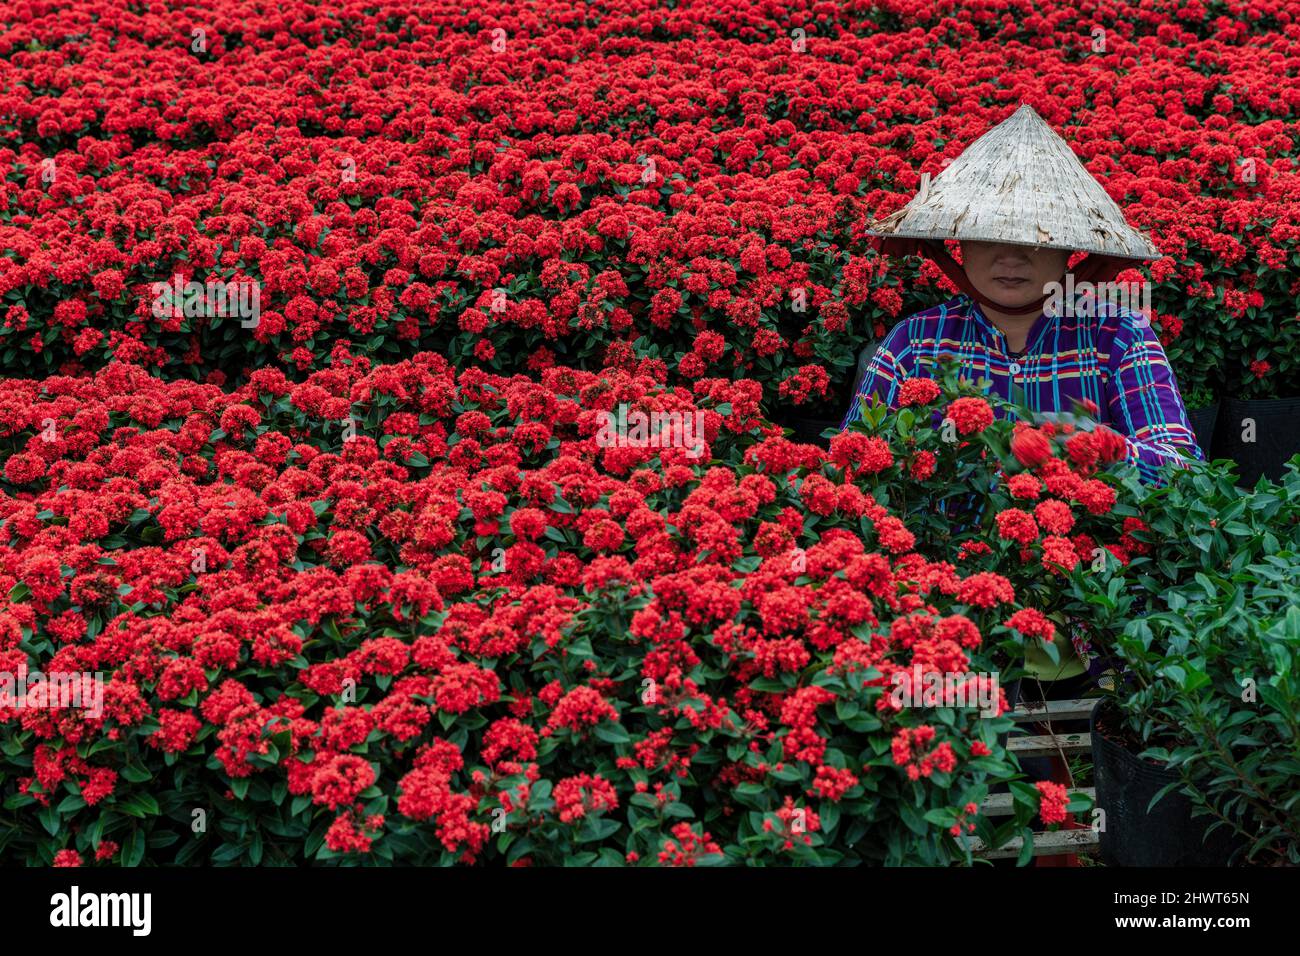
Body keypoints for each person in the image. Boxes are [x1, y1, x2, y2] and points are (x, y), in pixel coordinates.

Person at [842, 104, 1203, 487]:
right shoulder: (916, 341)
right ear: (959, 242)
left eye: (1036, 238)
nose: (1010, 258)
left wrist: (1097, 447)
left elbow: (1184, 473)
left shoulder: (1118, 335)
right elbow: (852, 460)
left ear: (1071, 249)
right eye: (987, 236)